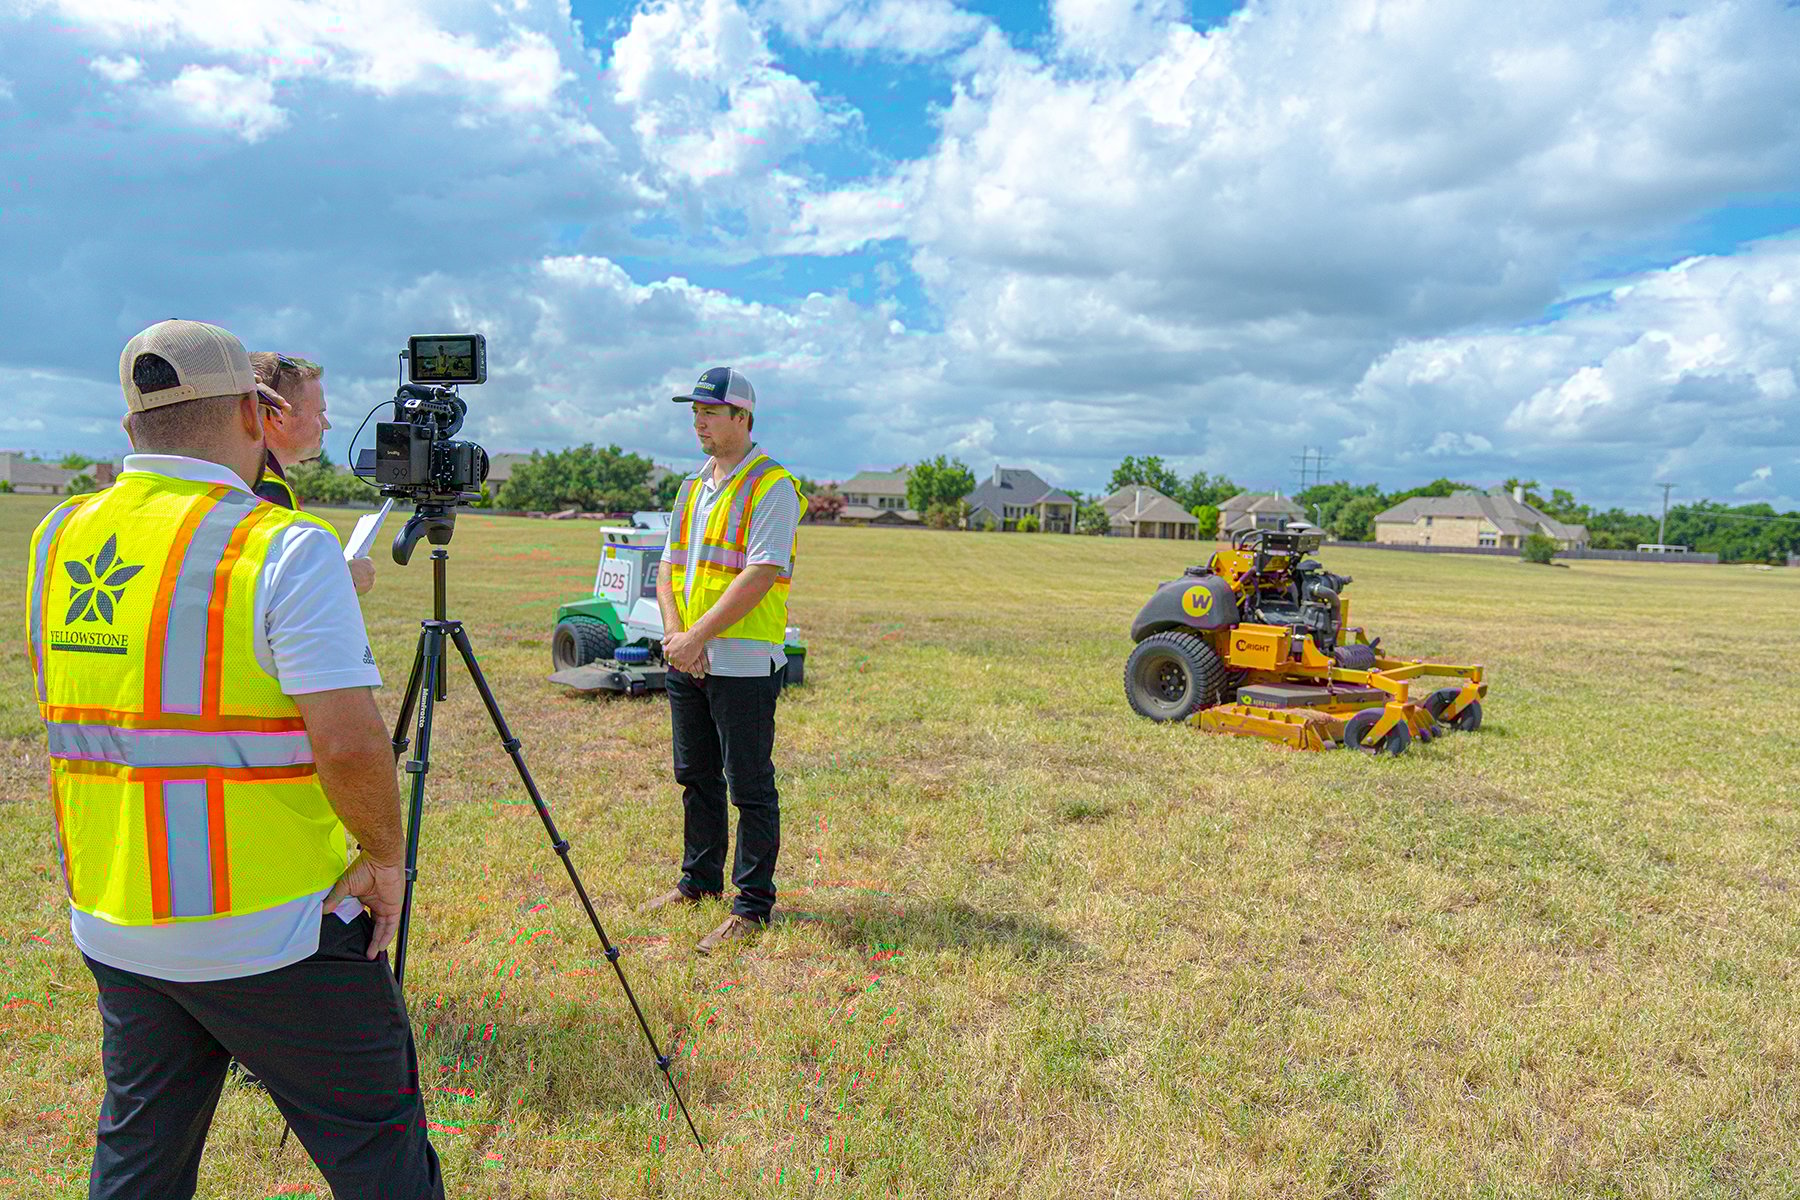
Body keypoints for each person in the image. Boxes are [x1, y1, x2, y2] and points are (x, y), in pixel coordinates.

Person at [27, 319, 443, 1199]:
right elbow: (348, 738)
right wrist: (386, 859)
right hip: (272, 926)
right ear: (258, 416)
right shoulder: (283, 545)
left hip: (115, 917)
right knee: (381, 1158)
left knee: (140, 1161)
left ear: (134, 425)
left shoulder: (58, 536)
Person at [643, 367, 808, 954]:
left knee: (749, 786)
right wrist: (674, 635)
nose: (699, 423)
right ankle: (699, 881)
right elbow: (667, 566)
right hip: (686, 655)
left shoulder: (773, 486)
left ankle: (752, 905)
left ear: (743, 418)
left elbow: (762, 574)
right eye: (694, 413)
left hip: (741, 660)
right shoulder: (692, 486)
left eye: (710, 413)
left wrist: (697, 637)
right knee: (695, 777)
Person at [248, 351, 375, 597]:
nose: (326, 424)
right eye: (318, 413)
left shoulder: (239, 474)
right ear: (276, 416)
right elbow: (275, 593)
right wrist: (345, 580)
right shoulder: (265, 490)